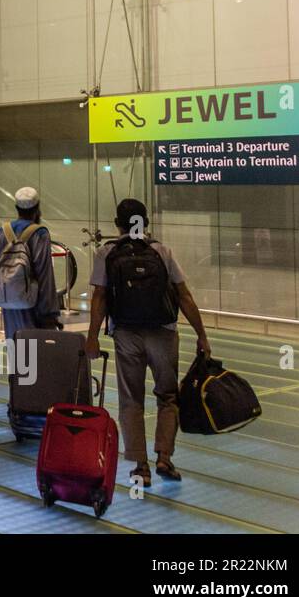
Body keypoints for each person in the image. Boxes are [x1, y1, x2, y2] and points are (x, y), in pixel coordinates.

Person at [86, 198, 212, 487]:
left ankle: (141, 466)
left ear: (117, 224)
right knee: (168, 396)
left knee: (131, 401)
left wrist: (92, 338)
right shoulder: (161, 251)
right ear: (145, 222)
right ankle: (164, 457)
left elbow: (100, 298)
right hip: (163, 333)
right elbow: (184, 296)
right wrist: (202, 334)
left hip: (127, 334)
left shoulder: (107, 252)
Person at [0, 185, 57, 339]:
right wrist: (49, 312)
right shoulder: (40, 233)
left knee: (14, 345)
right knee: (34, 351)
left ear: (17, 208)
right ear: (37, 209)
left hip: (8, 301)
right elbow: (44, 275)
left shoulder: (2, 231)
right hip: (32, 303)